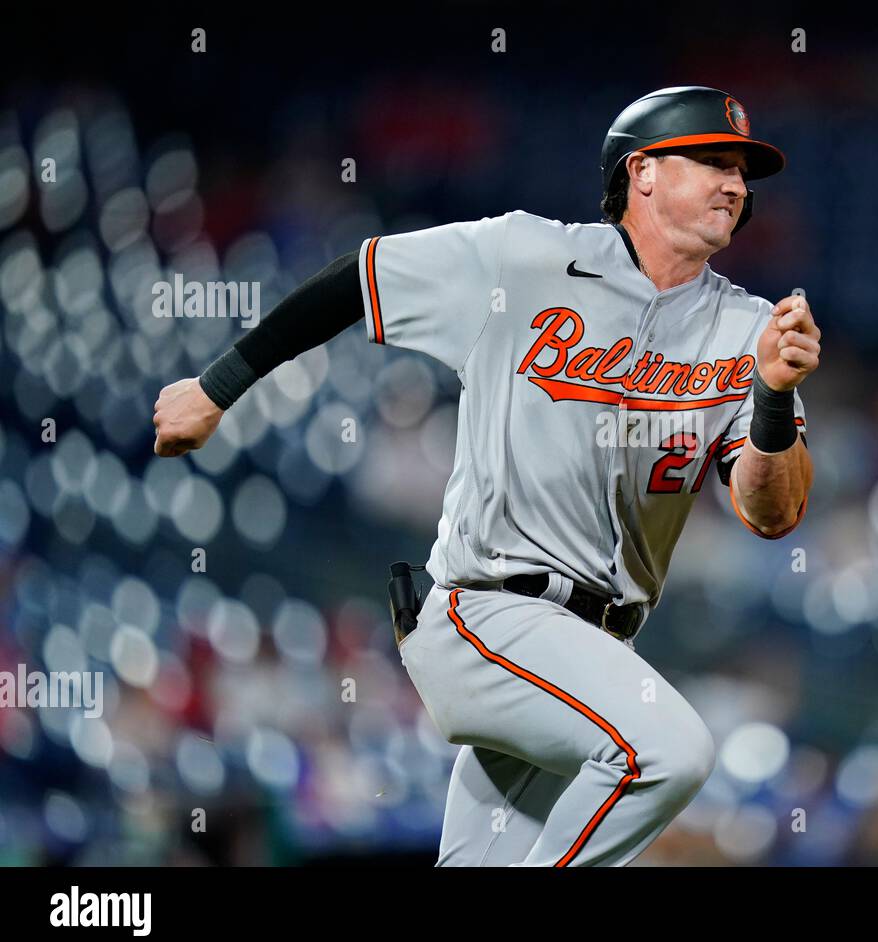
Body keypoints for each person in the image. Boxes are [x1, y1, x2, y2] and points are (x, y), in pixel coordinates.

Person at [152, 86, 820, 865]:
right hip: (489, 614)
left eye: (742, 169)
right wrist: (216, 388)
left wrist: (773, 397)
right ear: (641, 173)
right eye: (712, 160)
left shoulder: (748, 328)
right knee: (669, 752)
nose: (735, 184)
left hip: (595, 652)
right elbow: (356, 278)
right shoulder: (523, 256)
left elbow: (771, 512)